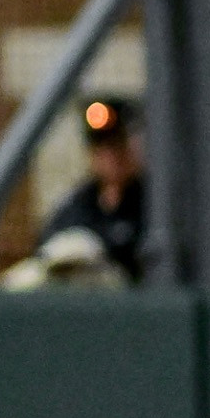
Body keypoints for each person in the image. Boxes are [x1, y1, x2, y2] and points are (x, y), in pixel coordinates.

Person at [39, 96, 145, 281]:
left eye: (118, 145)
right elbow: (46, 250)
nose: (111, 157)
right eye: (101, 148)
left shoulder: (152, 204)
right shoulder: (78, 205)